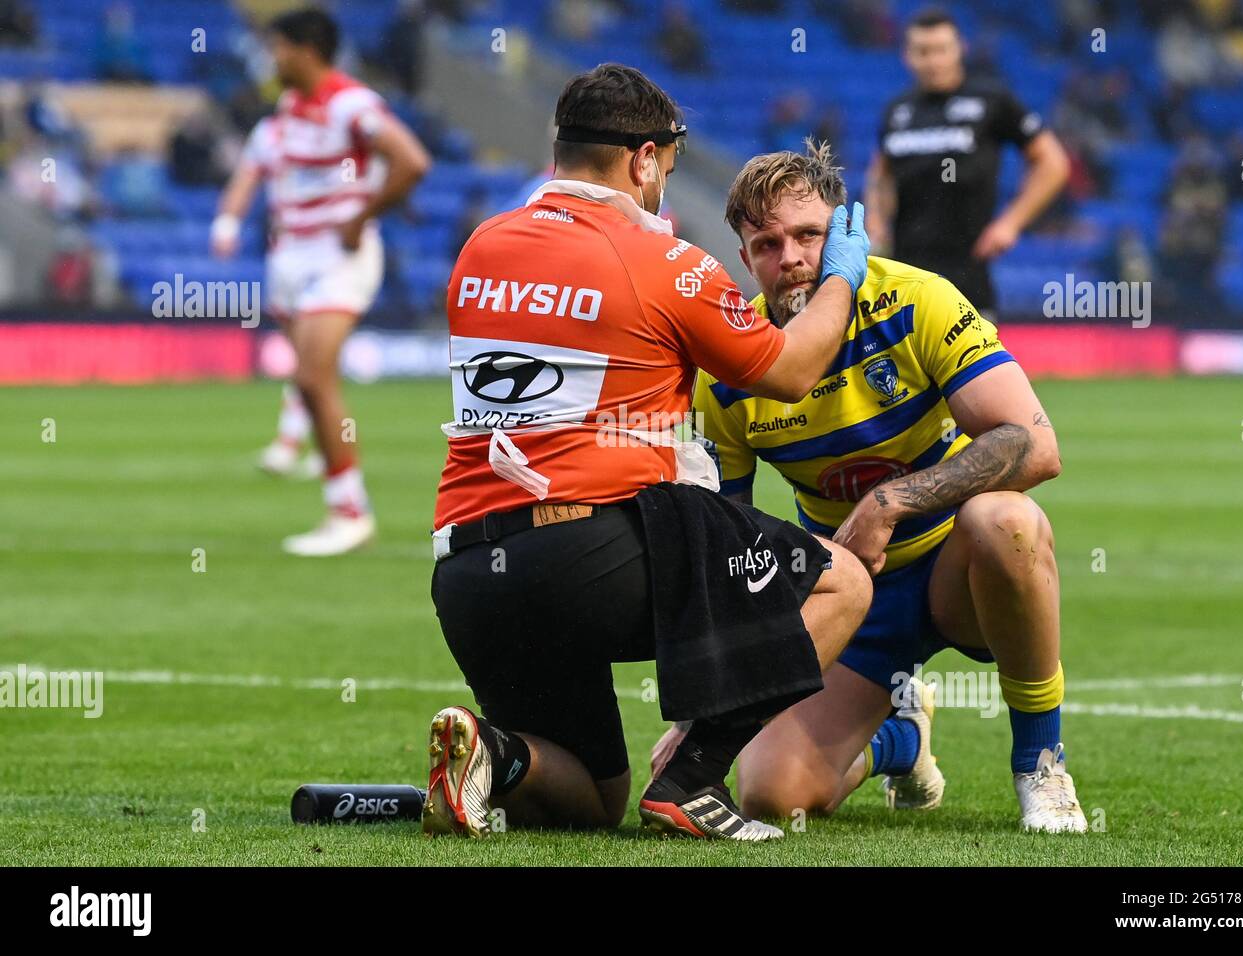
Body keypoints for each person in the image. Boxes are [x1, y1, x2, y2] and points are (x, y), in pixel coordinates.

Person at [423, 63, 873, 842]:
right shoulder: (663, 260)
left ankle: (494, 757)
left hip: (469, 577)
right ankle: (692, 780)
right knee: (842, 584)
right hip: (589, 555)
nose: (664, 181)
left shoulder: (482, 246)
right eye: (665, 165)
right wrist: (838, 279)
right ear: (642, 159)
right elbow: (793, 371)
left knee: (594, 801)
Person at [661, 142, 1087, 833]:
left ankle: (1041, 763)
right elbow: (723, 554)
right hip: (855, 597)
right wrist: (699, 717)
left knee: (1007, 519)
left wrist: (891, 501)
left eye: (809, 235)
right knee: (772, 792)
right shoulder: (729, 368)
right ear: (744, 259)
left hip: (962, 571)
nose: (791, 257)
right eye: (766, 244)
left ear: (845, 236)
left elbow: (1034, 444)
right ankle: (902, 738)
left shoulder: (915, 299)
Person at [212, 8, 431, 555]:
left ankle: (350, 512)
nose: (271, 58)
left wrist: (360, 218)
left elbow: (412, 161)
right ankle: (335, 494)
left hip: (338, 258)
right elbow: (252, 174)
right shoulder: (286, 114)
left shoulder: (349, 103)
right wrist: (231, 222)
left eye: (278, 47)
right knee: (311, 380)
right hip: (290, 261)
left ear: (306, 49)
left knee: (312, 376)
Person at [864, 6, 1069, 316]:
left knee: (975, 364)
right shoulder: (897, 111)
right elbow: (881, 173)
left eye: (941, 50)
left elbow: (1053, 162)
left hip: (968, 271)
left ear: (960, 48)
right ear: (907, 55)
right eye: (922, 51)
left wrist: (1010, 223)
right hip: (906, 273)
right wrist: (876, 220)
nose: (933, 61)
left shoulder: (991, 100)